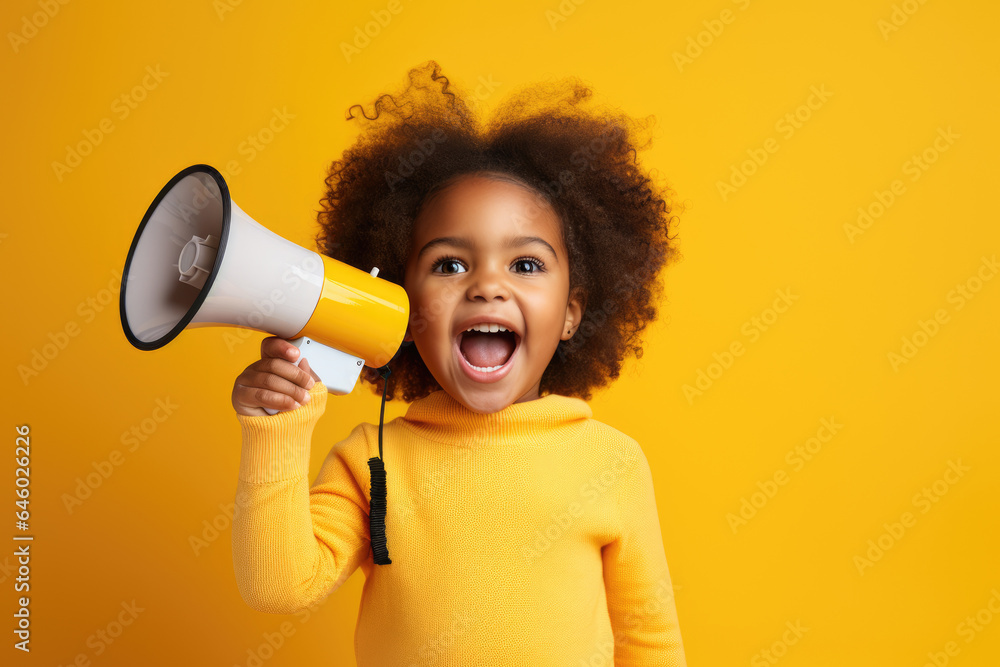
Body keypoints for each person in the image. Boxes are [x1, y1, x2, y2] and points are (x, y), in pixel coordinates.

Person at [230, 60, 687, 666]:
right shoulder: (373, 462)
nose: (487, 287)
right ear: (404, 307)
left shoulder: (613, 463)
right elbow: (278, 586)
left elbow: (649, 641)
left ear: (573, 313)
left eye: (525, 265)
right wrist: (277, 428)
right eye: (449, 264)